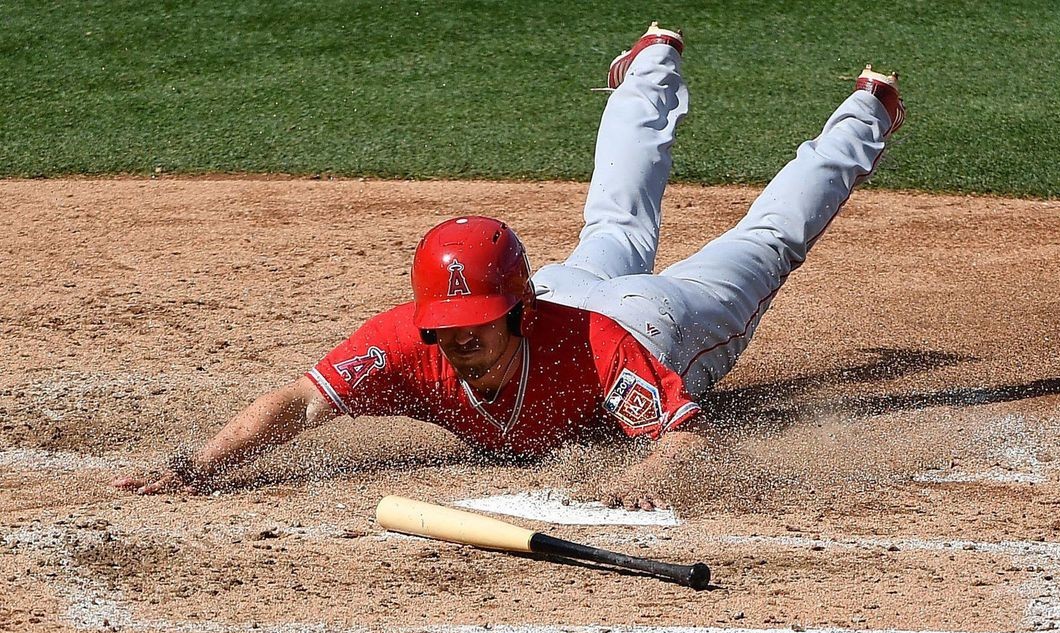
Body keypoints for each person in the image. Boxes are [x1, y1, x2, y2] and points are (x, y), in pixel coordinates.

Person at [114, 22, 905, 510]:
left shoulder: (603, 354)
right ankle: (654, 58)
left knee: (763, 247)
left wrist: (646, 474)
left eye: (476, 331)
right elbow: (297, 403)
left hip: (652, 319)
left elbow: (689, 440)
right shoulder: (408, 341)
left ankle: (868, 108)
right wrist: (198, 466)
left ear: (517, 313)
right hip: (565, 288)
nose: (459, 348)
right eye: (447, 331)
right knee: (615, 220)